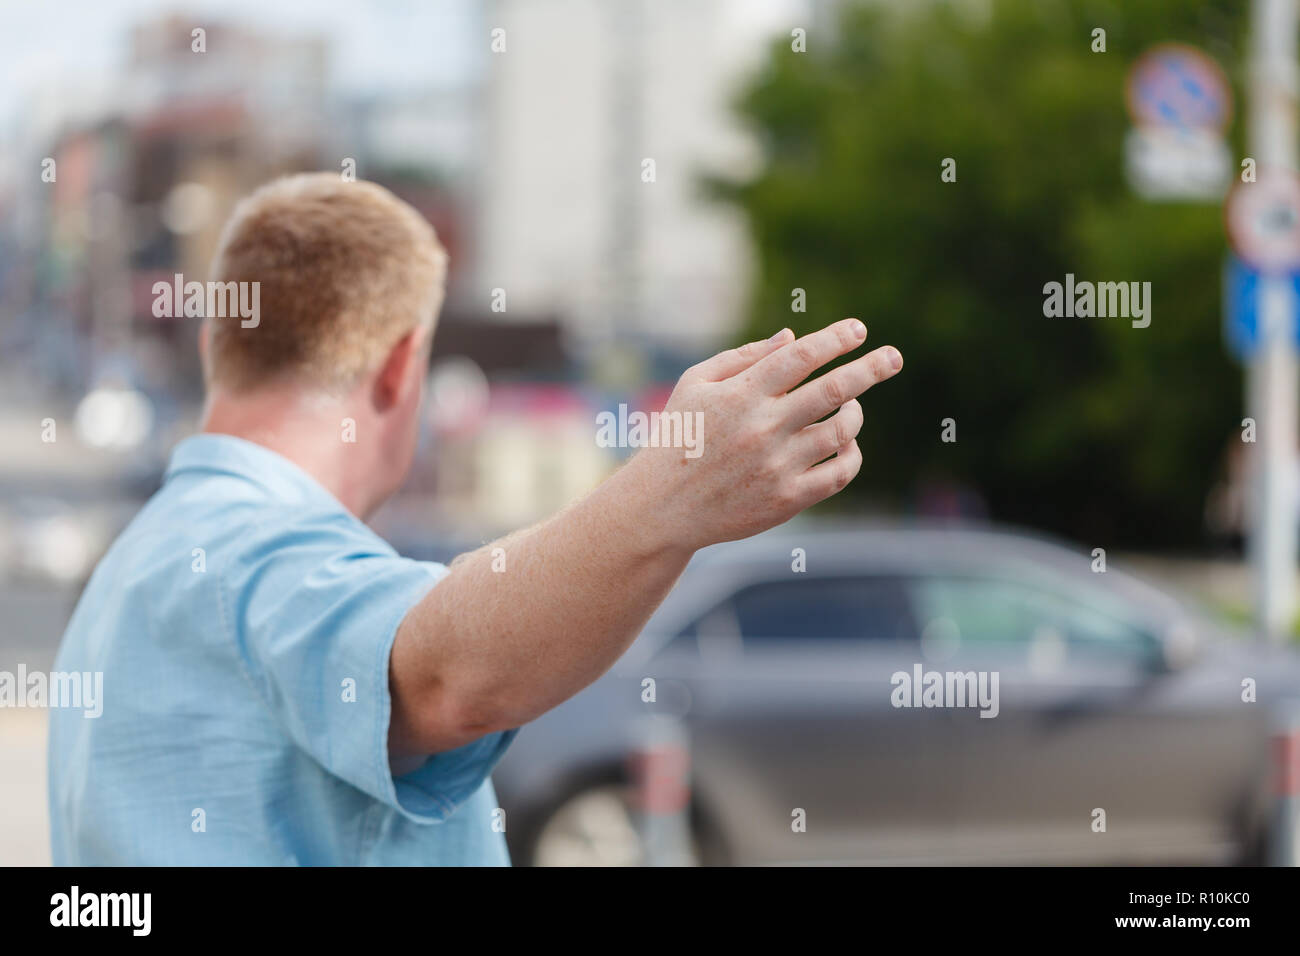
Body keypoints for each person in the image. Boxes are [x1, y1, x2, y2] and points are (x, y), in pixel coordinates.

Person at [48, 173, 903, 865]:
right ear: (400, 367)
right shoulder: (254, 551)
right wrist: (668, 497)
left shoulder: (143, 563)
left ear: (212, 345)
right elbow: (447, 681)